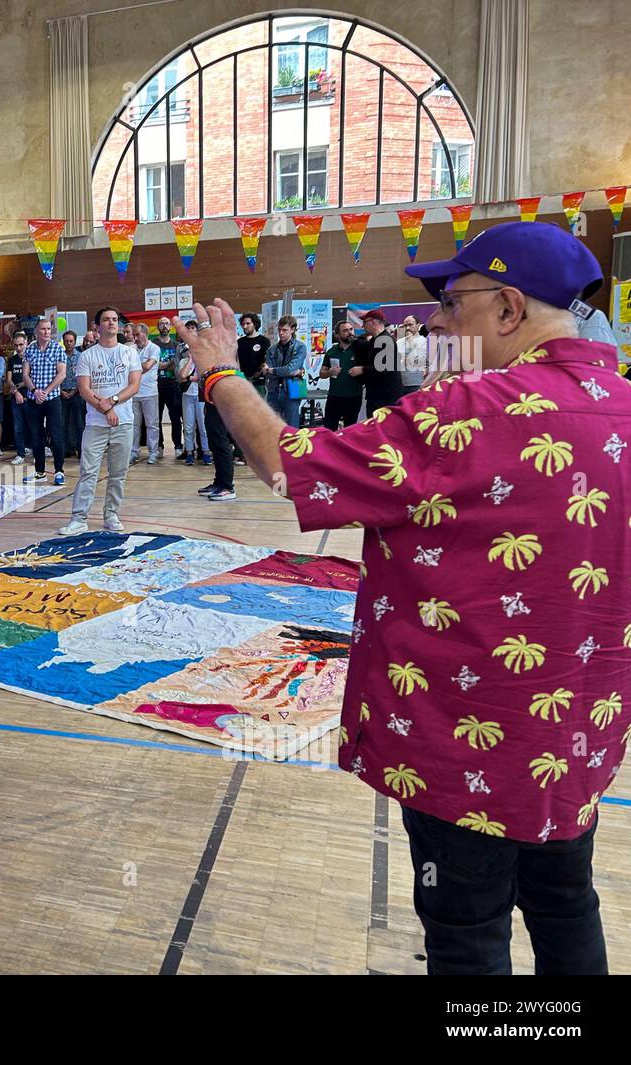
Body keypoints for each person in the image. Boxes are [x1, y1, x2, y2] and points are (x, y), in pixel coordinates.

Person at [176, 220, 628, 976]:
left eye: (452, 304)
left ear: (509, 309)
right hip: (579, 731)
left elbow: (288, 466)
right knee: (565, 900)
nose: (438, 324)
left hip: (467, 738)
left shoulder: (466, 413)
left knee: (467, 931)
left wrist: (223, 374)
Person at [59, 307, 141, 535]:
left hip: (123, 423)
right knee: (88, 472)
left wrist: (112, 402)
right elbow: (84, 389)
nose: (111, 323)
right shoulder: (87, 356)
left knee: (118, 473)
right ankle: (79, 518)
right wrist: (104, 409)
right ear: (97, 326)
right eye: (106, 320)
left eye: (114, 320)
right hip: (95, 424)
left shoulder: (130, 353)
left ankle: (111, 515)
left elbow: (134, 385)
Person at [177, 323, 236, 501]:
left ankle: (227, 486)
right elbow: (185, 377)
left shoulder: (221, 352)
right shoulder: (202, 353)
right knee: (214, 441)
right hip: (209, 401)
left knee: (221, 441)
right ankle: (219, 482)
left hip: (221, 400)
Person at [21, 318, 67, 485]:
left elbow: (61, 374)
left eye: (49, 329)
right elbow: (25, 374)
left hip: (52, 398)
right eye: (43, 329)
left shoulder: (57, 349)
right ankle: (39, 472)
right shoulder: (30, 349)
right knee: (36, 435)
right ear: (36, 331)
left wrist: (46, 392)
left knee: (56, 435)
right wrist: (35, 391)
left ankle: (59, 471)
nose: (47, 332)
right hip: (34, 398)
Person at [175, 325, 214, 467]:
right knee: (189, 425)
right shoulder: (184, 361)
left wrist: (193, 378)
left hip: (201, 395)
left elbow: (204, 376)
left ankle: (206, 452)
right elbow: (182, 376)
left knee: (203, 426)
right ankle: (190, 451)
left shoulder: (204, 360)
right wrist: (190, 360)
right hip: (187, 395)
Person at [352, 308, 405, 412]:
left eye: (365, 322)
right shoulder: (375, 340)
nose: (363, 326)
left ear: (374, 321)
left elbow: (385, 368)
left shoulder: (385, 340)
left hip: (386, 396)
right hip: (377, 393)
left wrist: (362, 369)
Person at [262, 315, 307, 428]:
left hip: (296, 386)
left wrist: (273, 370)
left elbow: (289, 369)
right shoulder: (271, 350)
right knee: (273, 426)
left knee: (292, 425)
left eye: (284, 330)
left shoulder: (301, 347)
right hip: (274, 388)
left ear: (292, 329)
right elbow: (268, 372)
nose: (281, 333)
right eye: (279, 330)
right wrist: (289, 371)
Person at [318, 318, 363, 430]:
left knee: (351, 429)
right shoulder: (331, 351)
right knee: (329, 428)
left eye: (351, 329)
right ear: (337, 335)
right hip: (334, 396)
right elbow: (321, 373)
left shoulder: (359, 349)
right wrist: (329, 372)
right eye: (345, 330)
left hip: (353, 396)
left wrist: (361, 369)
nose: (350, 333)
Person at [131, 322, 162, 463]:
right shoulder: (131, 349)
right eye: (134, 335)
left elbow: (148, 366)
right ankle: (133, 452)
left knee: (152, 424)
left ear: (145, 333)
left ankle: (153, 453)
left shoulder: (154, 348)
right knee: (134, 425)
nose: (135, 337)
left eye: (137, 334)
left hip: (150, 392)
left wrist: (134, 367)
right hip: (133, 392)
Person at [155, 316, 184, 456]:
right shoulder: (153, 345)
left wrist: (165, 365)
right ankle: (159, 446)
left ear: (171, 327)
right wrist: (169, 364)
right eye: (162, 324)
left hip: (173, 387)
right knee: (157, 419)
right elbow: (155, 365)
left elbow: (178, 367)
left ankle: (178, 446)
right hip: (157, 386)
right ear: (158, 327)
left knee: (175, 418)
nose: (165, 326)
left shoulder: (177, 345)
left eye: (167, 323)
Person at [59, 329, 85, 459]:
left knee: (79, 423)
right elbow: (55, 375)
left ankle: (81, 449)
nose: (68, 343)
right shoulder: (59, 356)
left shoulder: (81, 356)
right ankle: (66, 449)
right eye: (66, 341)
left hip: (77, 393)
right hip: (62, 393)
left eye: (71, 341)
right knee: (63, 423)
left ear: (75, 342)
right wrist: (61, 391)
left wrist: (75, 391)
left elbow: (83, 377)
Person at [6, 330, 31, 465]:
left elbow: (31, 378)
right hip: (16, 397)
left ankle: (36, 450)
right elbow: (8, 379)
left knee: (33, 425)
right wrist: (16, 391)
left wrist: (19, 386)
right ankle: (20, 453)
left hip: (30, 397)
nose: (19, 348)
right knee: (18, 426)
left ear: (26, 343)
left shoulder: (31, 358)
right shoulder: (12, 360)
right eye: (16, 345)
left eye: (21, 344)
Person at [236, 314, 269, 395]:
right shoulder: (239, 342)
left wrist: (257, 375)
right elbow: (237, 361)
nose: (245, 326)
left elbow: (266, 361)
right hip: (243, 380)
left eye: (248, 323)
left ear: (255, 324)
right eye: (243, 324)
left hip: (259, 382)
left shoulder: (264, 341)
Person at [398, 314, 428, 395]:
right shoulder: (399, 342)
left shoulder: (424, 341)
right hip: (400, 383)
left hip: (416, 383)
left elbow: (417, 361)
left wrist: (411, 343)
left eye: (410, 324)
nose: (407, 328)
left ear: (418, 325)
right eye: (405, 325)